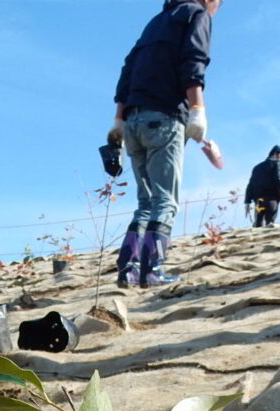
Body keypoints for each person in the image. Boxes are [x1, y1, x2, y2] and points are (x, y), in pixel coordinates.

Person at [108, 0, 221, 288]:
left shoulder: (154, 23)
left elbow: (126, 71)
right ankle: (152, 269)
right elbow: (194, 60)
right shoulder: (197, 15)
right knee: (165, 201)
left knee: (145, 202)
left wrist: (118, 121)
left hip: (133, 121)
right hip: (165, 118)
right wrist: (198, 109)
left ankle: (128, 269)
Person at [245, 145, 280, 227]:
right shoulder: (278, 163)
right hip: (271, 198)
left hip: (258, 200)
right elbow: (278, 179)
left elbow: (250, 185)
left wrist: (247, 201)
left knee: (258, 223)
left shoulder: (257, 167)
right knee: (270, 223)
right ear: (276, 154)